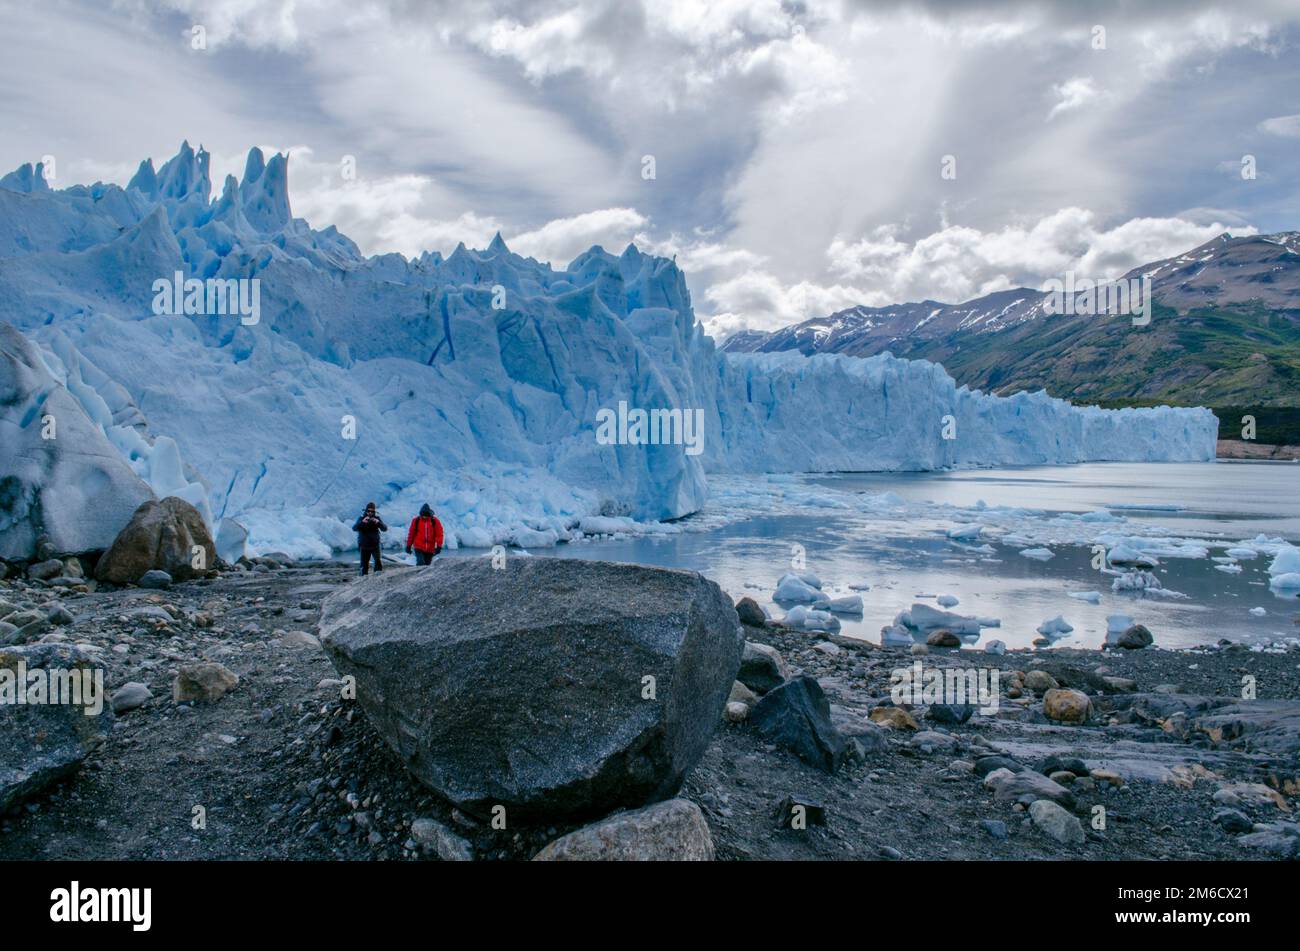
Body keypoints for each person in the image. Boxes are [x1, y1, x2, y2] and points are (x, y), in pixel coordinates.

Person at [352, 502, 387, 575]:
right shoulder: (361, 518)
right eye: (368, 511)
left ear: (374, 511)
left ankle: (377, 577)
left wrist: (378, 523)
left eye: (372, 511)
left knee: (378, 562)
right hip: (364, 546)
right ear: (366, 511)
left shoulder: (377, 518)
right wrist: (362, 522)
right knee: (364, 564)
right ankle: (363, 579)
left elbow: (385, 528)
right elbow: (354, 528)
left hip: (375, 545)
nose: (370, 513)